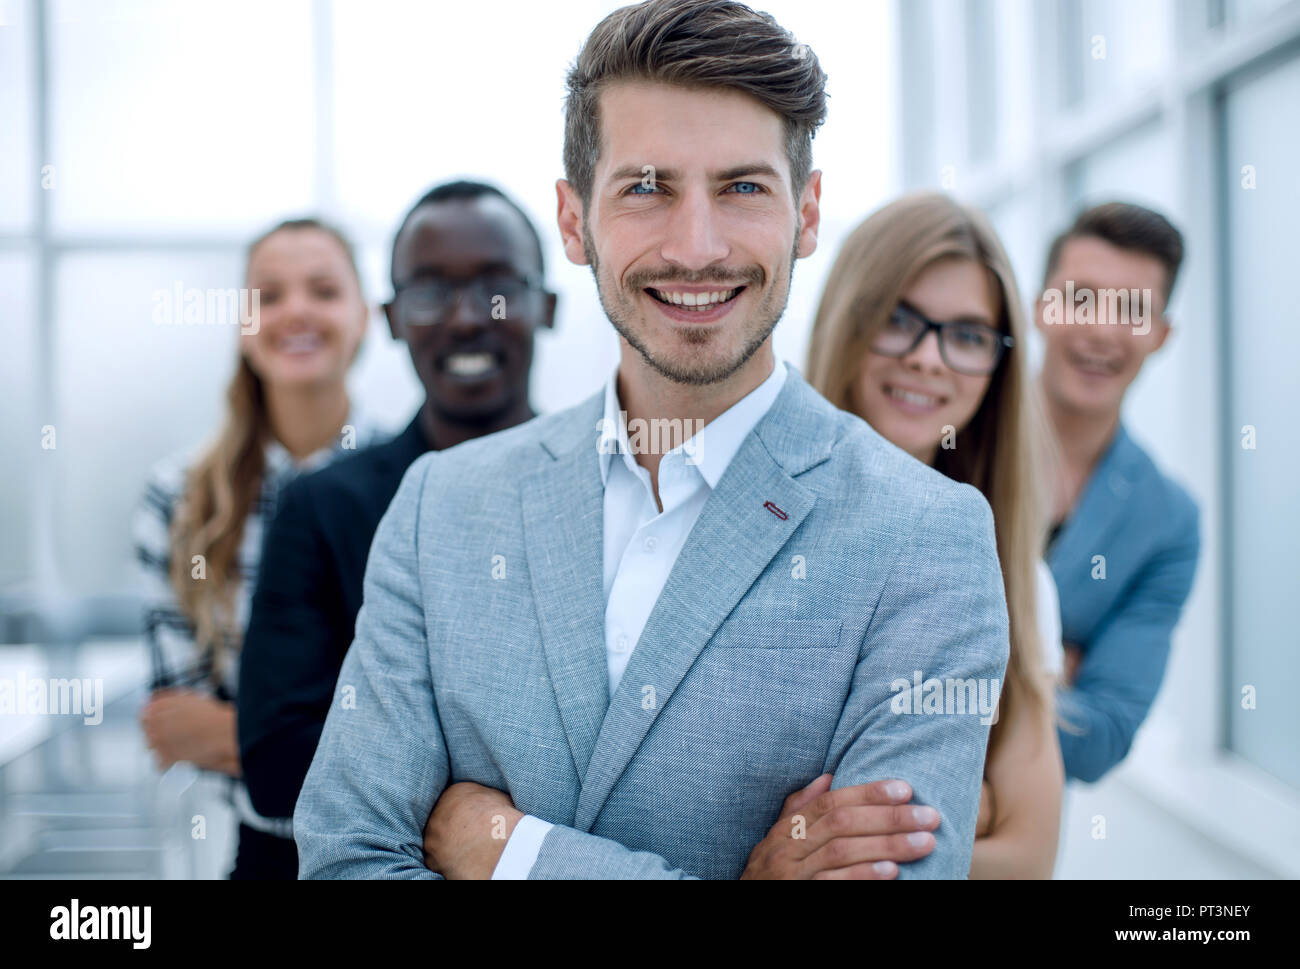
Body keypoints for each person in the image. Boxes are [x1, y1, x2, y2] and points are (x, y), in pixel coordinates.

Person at [294, 0, 1010, 881]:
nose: (697, 247)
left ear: (808, 211)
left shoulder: (926, 536)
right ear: (573, 221)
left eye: (743, 187)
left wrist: (515, 851)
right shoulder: (442, 507)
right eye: (646, 188)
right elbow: (344, 859)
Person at [235, 180, 555, 879]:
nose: (469, 318)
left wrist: (393, 771)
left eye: (498, 286)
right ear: (392, 318)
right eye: (431, 291)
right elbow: (277, 757)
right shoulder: (324, 508)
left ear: (548, 306)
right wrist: (482, 824)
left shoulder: (616, 495)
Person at [805, 192, 1063, 878]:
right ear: (847, 320)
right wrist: (963, 809)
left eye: (969, 335)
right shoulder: (757, 529)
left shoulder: (1016, 574)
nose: (928, 359)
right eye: (899, 320)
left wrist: (873, 842)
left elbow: (1032, 855)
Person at [132, 217, 381, 877]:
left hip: (394, 847)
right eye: (269, 296)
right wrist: (363, 748)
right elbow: (174, 724)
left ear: (366, 316)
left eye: (323, 290)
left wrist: (236, 733)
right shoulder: (179, 499)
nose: (295, 309)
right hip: (246, 847)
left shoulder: (414, 478)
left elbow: (438, 733)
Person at [1034, 202, 1200, 783]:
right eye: (1081, 297)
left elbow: (1101, 738)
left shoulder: (1168, 520)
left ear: (1161, 335)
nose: (1103, 329)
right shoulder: (947, 441)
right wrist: (1049, 670)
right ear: (1039, 308)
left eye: (1133, 309)